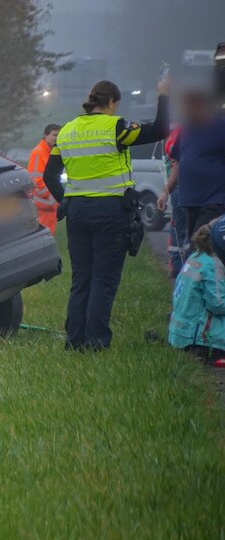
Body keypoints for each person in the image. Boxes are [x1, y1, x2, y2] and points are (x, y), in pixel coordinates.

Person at [44, 78, 170, 351]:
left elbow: (49, 174)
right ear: (112, 102)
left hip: (78, 213)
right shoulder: (117, 127)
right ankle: (96, 342)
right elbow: (161, 130)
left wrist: (65, 200)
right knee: (104, 278)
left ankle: (74, 340)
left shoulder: (66, 131)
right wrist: (163, 95)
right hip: (110, 212)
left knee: (82, 279)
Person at [162, 87, 225, 238]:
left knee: (202, 245)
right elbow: (179, 162)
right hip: (190, 201)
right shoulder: (186, 129)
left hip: (214, 200)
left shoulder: (221, 126)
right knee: (195, 244)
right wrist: (165, 192)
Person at [169, 220, 225, 367]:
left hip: (181, 334)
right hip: (199, 340)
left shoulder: (196, 257)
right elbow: (218, 305)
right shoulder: (213, 266)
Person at [159, 124, 185, 278]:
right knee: (185, 232)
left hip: (177, 188)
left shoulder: (178, 134)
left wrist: (166, 191)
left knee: (179, 230)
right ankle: (181, 267)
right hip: (181, 188)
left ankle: (177, 266)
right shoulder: (185, 132)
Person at [28, 123, 62, 235]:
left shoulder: (50, 151)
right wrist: (51, 196)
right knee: (45, 235)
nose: (57, 138)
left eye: (59, 135)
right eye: (54, 135)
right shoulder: (39, 152)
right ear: (45, 135)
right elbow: (36, 180)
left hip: (49, 203)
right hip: (44, 204)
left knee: (49, 234)